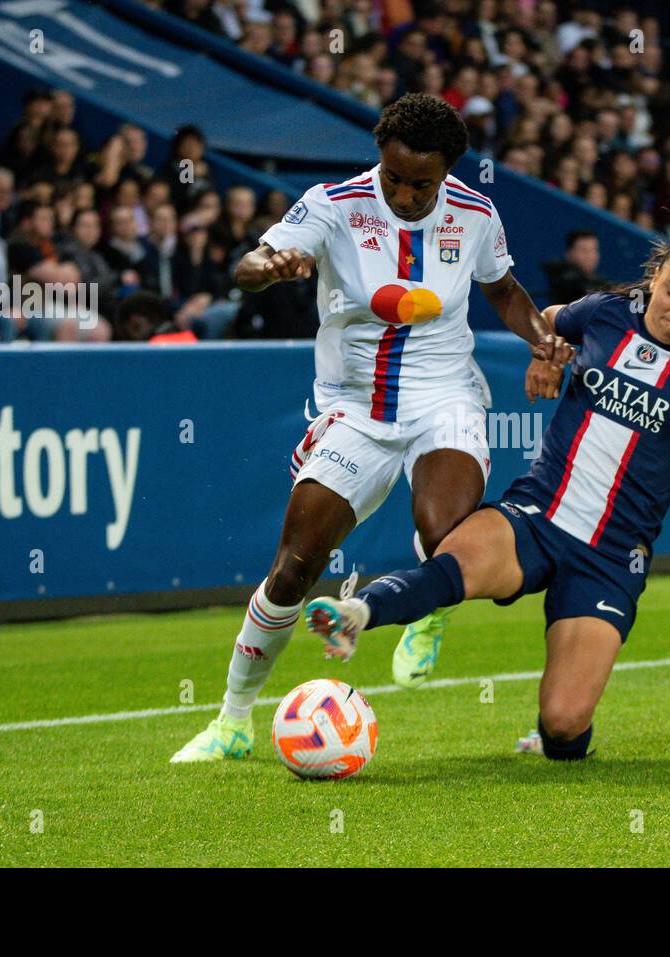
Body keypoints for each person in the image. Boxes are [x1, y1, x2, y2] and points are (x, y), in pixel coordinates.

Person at [305, 218, 670, 761]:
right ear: (654, 280)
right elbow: (547, 321)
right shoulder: (607, 313)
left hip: (610, 554)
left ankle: (553, 738)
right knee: (453, 561)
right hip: (536, 515)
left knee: (563, 723)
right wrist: (545, 354)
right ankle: (355, 616)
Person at [169, 92, 572, 763]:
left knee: (446, 530)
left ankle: (433, 602)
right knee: (294, 569)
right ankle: (233, 720)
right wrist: (268, 269)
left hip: (445, 397)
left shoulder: (474, 214)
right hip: (353, 408)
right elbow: (246, 268)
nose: (408, 194)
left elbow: (502, 288)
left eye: (424, 182)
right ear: (378, 160)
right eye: (395, 178)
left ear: (447, 172)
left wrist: (540, 340)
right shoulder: (333, 204)